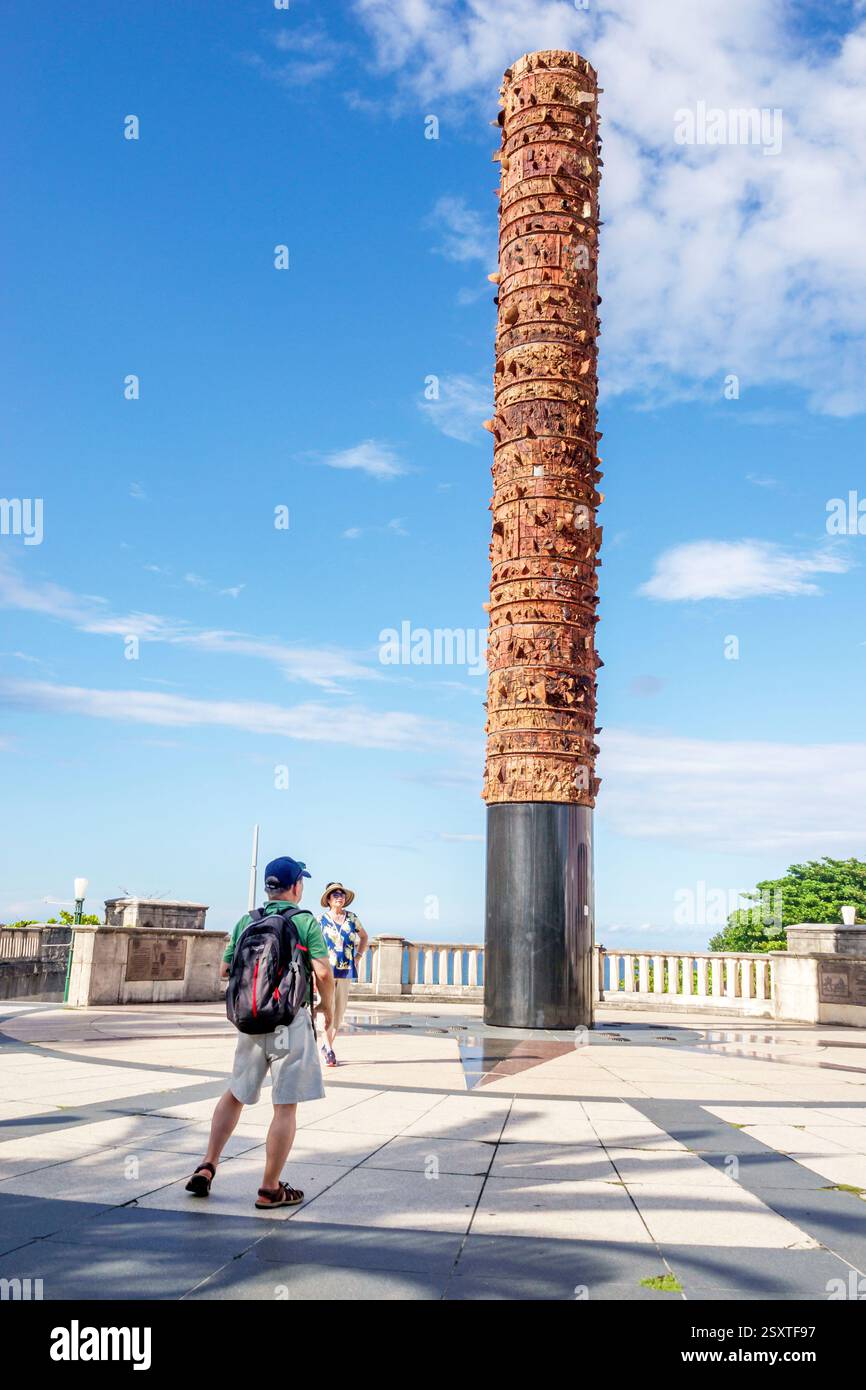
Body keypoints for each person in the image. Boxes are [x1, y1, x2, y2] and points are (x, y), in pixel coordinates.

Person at [185, 855, 334, 1209]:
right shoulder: (304, 921)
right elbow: (324, 973)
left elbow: (224, 970)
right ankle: (269, 1188)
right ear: (296, 886)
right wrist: (326, 1007)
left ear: (269, 886)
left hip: (250, 1021)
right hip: (288, 1022)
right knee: (285, 1106)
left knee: (235, 1093)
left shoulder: (246, 921)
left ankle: (208, 1164)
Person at [318, 881, 367, 1068]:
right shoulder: (320, 920)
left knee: (339, 1013)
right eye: (335, 894)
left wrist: (359, 956)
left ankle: (326, 1045)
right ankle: (329, 1050)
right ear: (328, 900)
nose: (339, 896)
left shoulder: (352, 918)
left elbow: (364, 937)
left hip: (346, 970)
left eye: (342, 894)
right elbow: (314, 948)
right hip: (326, 972)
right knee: (325, 1008)